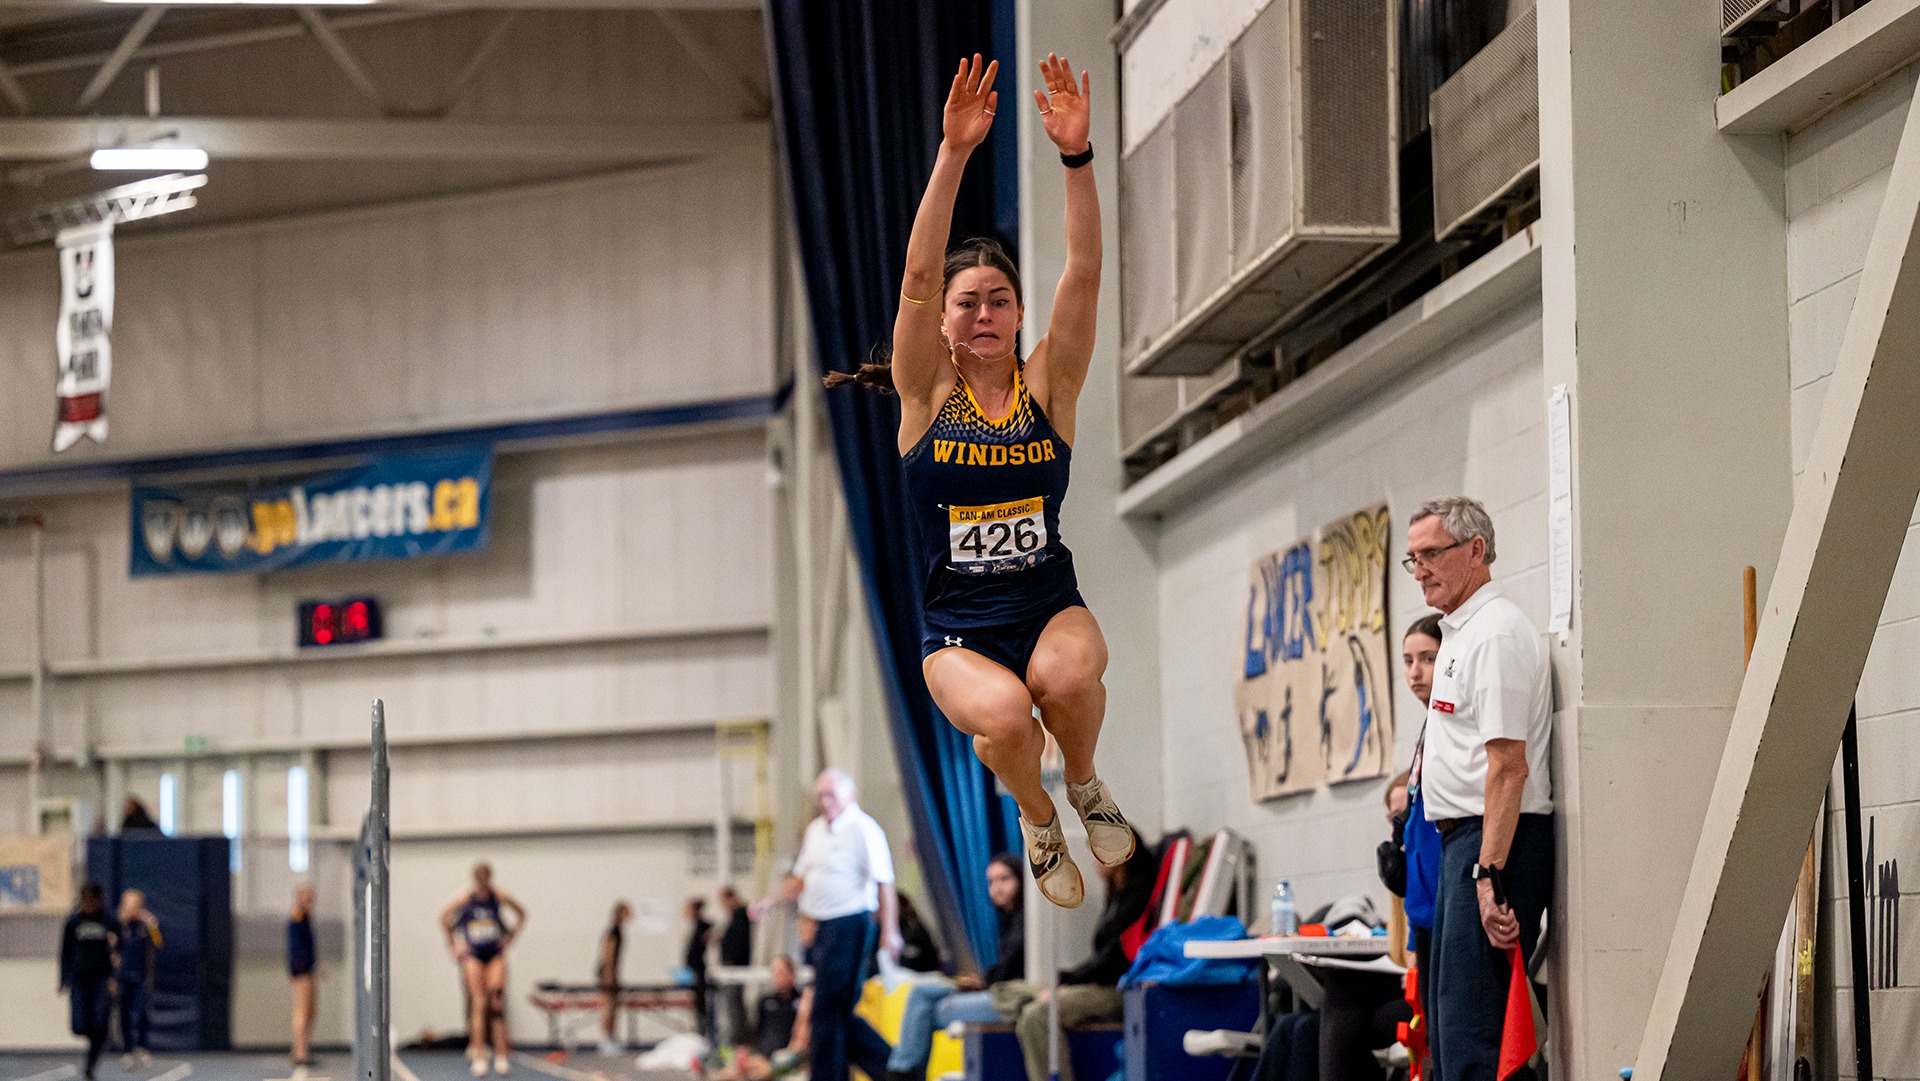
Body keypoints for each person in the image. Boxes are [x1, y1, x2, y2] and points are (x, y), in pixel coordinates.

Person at [826, 53, 1132, 909]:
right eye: (969, 304)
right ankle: (1037, 817)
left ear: (1019, 313)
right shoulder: (924, 396)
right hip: (957, 631)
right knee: (1003, 722)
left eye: (999, 298)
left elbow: (1086, 272)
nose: (984, 313)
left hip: (1045, 604)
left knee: (1068, 682)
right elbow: (918, 278)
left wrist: (1077, 159)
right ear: (948, 326)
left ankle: (1082, 781)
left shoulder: (1050, 388)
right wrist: (954, 154)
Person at [1405, 498, 1553, 1081]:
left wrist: (1489, 876)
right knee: (1448, 1033)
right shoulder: (1459, 634)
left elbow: (1508, 767)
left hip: (1495, 844)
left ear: (1476, 551)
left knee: (1475, 1039)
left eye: (1432, 554)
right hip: (1463, 842)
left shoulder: (1493, 635)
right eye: (1411, 559)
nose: (1419, 570)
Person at [995, 829, 1155, 1081]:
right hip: (1100, 983)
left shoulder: (1137, 903)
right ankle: (1028, 1002)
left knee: (1035, 1017)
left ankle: (1031, 1006)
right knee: (1003, 990)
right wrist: (1068, 980)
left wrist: (1069, 982)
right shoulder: (1118, 898)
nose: (1092, 861)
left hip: (1118, 989)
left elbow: (1113, 962)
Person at [776, 768, 899, 1081]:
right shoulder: (816, 830)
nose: (824, 801)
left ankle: (842, 1074)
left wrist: (890, 931)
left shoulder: (863, 828)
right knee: (836, 1013)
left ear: (849, 795)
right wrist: (772, 903)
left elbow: (884, 881)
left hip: (850, 924)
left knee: (825, 1010)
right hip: (823, 928)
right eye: (820, 795)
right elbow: (803, 880)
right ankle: (896, 1070)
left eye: (831, 794)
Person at [886, 852, 1026, 1081]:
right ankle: (902, 1071)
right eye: (991, 881)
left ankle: (901, 1072)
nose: (997, 887)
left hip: (1008, 998)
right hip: (994, 989)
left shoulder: (1027, 920)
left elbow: (1011, 971)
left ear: (1020, 879)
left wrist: (984, 983)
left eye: (1004, 879)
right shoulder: (1009, 919)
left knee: (928, 1009)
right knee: (921, 992)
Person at [440, 863, 527, 1077]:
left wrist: (512, 937)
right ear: (474, 880)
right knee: (478, 1003)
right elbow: (444, 918)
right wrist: (453, 945)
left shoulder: (499, 897)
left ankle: (501, 1054)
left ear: (490, 879)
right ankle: (479, 1054)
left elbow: (522, 914)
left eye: (485, 879)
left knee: (496, 1003)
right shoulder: (465, 899)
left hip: (495, 953)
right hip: (473, 955)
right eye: (479, 880)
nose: (482, 884)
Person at [709, 956, 810, 1081]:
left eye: (782, 972)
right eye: (776, 973)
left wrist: (776, 1064)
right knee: (728, 1073)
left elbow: (800, 1040)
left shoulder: (802, 1004)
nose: (779, 977)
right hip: (762, 1054)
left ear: (792, 974)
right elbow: (755, 1031)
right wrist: (743, 1050)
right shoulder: (766, 1001)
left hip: (783, 1056)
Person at [59, 883, 116, 1081]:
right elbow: (65, 952)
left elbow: (120, 950)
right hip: (79, 979)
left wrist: (114, 977)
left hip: (101, 979)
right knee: (80, 1025)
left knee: (100, 1026)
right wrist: (64, 980)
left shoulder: (108, 920)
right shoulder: (74, 922)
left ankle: (90, 1065)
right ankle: (92, 1039)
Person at [115, 889, 160, 1068]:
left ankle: (142, 1046)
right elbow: (110, 945)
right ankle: (127, 1050)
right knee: (124, 1014)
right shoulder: (118, 924)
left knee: (142, 1011)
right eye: (128, 905)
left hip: (141, 976)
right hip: (123, 976)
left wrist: (152, 924)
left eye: (135, 906)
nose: (131, 909)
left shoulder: (146, 925)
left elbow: (158, 943)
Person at [715, 886, 753, 1048]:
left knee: (734, 1007)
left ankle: (739, 1041)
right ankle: (738, 1039)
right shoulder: (733, 916)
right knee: (732, 1006)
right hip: (730, 966)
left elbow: (740, 944)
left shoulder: (740, 915)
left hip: (735, 967)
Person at [289, 883, 320, 1070]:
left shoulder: (306, 917)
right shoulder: (297, 917)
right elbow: (297, 948)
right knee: (301, 1011)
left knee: (310, 1012)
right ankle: (300, 1052)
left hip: (308, 970)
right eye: (306, 896)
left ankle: (301, 1048)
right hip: (302, 972)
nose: (310, 901)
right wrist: (303, 969)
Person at [596, 901, 630, 1056]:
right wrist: (609, 975)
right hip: (608, 972)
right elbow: (607, 954)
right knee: (608, 1007)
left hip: (613, 971)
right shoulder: (612, 931)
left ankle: (611, 1038)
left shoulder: (620, 930)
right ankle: (605, 1040)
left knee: (614, 1007)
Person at [683, 897, 714, 1042]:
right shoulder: (695, 926)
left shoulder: (703, 926)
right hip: (692, 969)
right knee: (697, 1004)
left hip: (699, 969)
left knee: (702, 1004)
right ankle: (699, 1032)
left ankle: (704, 1034)